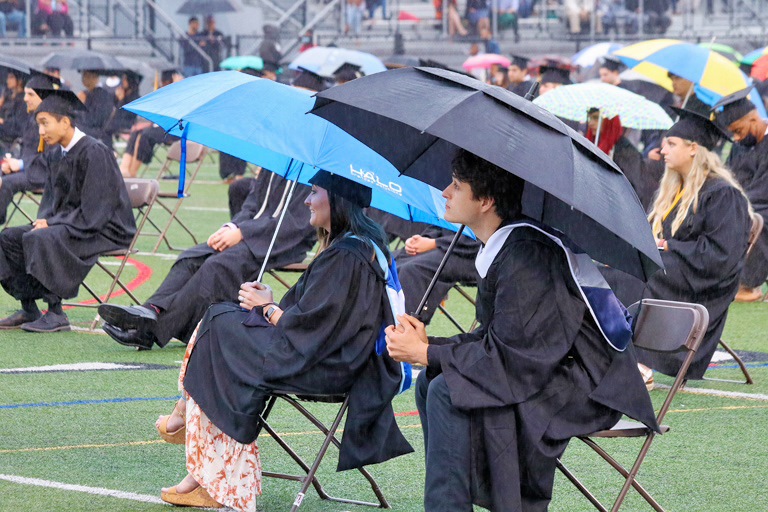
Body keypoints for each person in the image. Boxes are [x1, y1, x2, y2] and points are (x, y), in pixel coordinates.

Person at [385, 149, 658, 511]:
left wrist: (426, 353)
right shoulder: (506, 245)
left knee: (447, 390)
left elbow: (518, 358)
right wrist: (430, 346)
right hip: (550, 362)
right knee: (432, 381)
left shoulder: (526, 256)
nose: (446, 193)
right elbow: (501, 337)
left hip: (590, 384)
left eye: (456, 185)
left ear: (486, 201)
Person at [153, 171, 412, 509]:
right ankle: (205, 469)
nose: (306, 199)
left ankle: (207, 462)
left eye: (315, 192)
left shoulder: (349, 255)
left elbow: (317, 330)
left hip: (324, 367)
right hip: (327, 358)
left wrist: (270, 309)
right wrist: (271, 304)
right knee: (223, 319)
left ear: (337, 200)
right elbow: (318, 317)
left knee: (220, 327)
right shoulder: (361, 246)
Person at [602, 109, 751, 382]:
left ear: (693, 149)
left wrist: (668, 246)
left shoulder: (723, 194)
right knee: (610, 271)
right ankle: (606, 351)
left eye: (671, 144)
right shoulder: (674, 191)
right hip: (673, 270)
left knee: (636, 275)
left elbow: (722, 256)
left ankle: (640, 362)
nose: (663, 150)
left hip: (704, 281)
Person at [98, 169, 316, 349]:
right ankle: (150, 310)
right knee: (192, 257)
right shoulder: (278, 162)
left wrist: (243, 232)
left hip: (283, 243)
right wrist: (232, 226)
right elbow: (251, 204)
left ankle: (150, 330)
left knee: (216, 266)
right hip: (251, 234)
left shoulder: (309, 170)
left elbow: (295, 223)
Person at [0, 89, 135, 332]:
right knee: (9, 238)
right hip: (72, 221)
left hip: (106, 228)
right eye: (39, 125)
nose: (41, 132)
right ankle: (29, 307)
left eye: (45, 123)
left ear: (65, 122)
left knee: (43, 237)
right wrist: (45, 220)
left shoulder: (95, 152)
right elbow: (50, 202)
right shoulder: (56, 154)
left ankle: (56, 312)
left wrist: (51, 223)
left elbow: (96, 209)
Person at [711, 87, 768, 302]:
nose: (736, 138)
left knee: (755, 219)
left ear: (753, 119)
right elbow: (729, 178)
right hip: (747, 201)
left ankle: (746, 284)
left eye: (738, 130)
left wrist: (735, 204)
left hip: (763, 205)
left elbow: (763, 190)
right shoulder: (743, 145)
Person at [0, 73, 57, 226]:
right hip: (30, 168)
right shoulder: (33, 118)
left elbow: (51, 157)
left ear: (43, 96)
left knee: (6, 183)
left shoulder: (52, 122)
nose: (25, 99)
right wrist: (13, 162)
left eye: (30, 94)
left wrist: (20, 164)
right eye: (25, 94)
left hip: (43, 173)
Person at [396, 225, 479, 325]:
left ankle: (407, 327)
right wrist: (421, 240)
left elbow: (480, 239)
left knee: (411, 270)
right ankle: (385, 324)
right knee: (392, 261)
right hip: (447, 245)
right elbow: (442, 225)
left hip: (473, 255)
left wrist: (435, 243)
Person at [586, 109, 659, 209]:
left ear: (609, 120)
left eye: (596, 118)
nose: (591, 123)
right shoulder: (592, 143)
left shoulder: (625, 151)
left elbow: (633, 188)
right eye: (589, 118)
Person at [119, 69, 180, 178]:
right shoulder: (164, 93)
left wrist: (176, 88)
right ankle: (124, 168)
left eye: (166, 82)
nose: (163, 84)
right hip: (161, 128)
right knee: (136, 133)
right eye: (163, 82)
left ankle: (132, 172)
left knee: (145, 135)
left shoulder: (181, 92)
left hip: (175, 130)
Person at [76, 70, 116, 149]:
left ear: (95, 78)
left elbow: (94, 120)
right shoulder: (85, 94)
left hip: (97, 136)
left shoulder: (102, 95)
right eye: (84, 75)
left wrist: (81, 106)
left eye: (88, 76)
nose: (84, 79)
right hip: (86, 133)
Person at [104, 72, 141, 139]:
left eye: (125, 79)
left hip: (126, 123)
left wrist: (121, 100)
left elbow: (121, 114)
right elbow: (111, 105)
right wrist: (116, 97)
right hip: (117, 121)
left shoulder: (135, 98)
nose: (123, 81)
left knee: (107, 128)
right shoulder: (123, 92)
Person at [0, 69, 27, 150]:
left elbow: (18, 124)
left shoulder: (22, 100)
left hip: (10, 139)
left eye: (11, 77)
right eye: (8, 78)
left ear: (19, 80)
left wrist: (3, 121)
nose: (8, 81)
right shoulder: (8, 96)